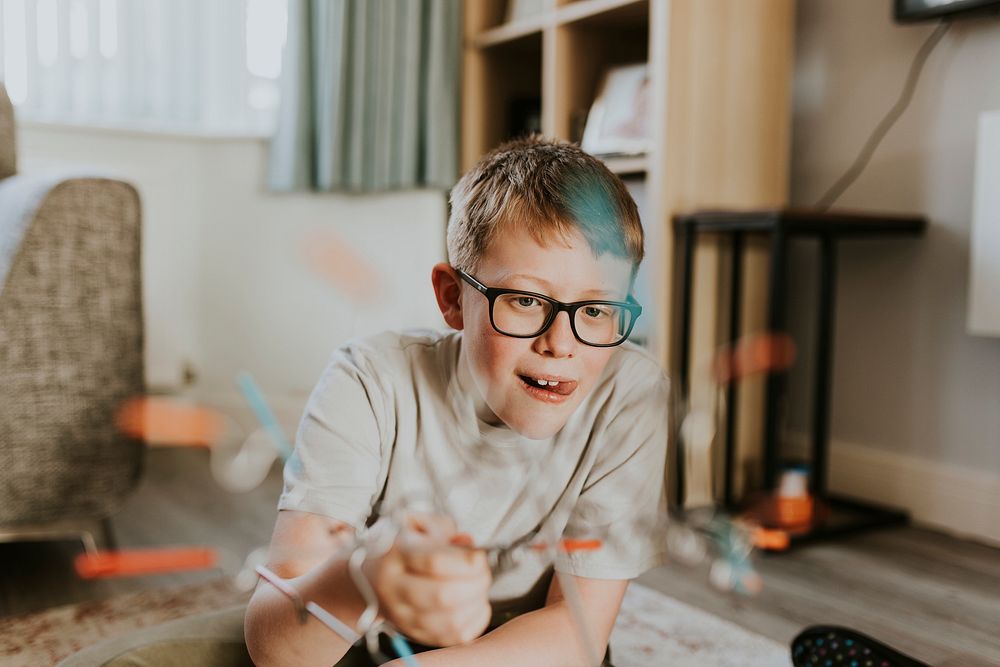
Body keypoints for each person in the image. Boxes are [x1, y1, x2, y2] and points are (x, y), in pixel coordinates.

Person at [244, 136, 670, 667]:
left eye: (595, 311)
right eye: (525, 300)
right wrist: (361, 577)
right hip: (367, 633)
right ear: (452, 298)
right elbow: (276, 649)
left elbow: (577, 633)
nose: (560, 344)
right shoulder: (368, 380)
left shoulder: (629, 394)